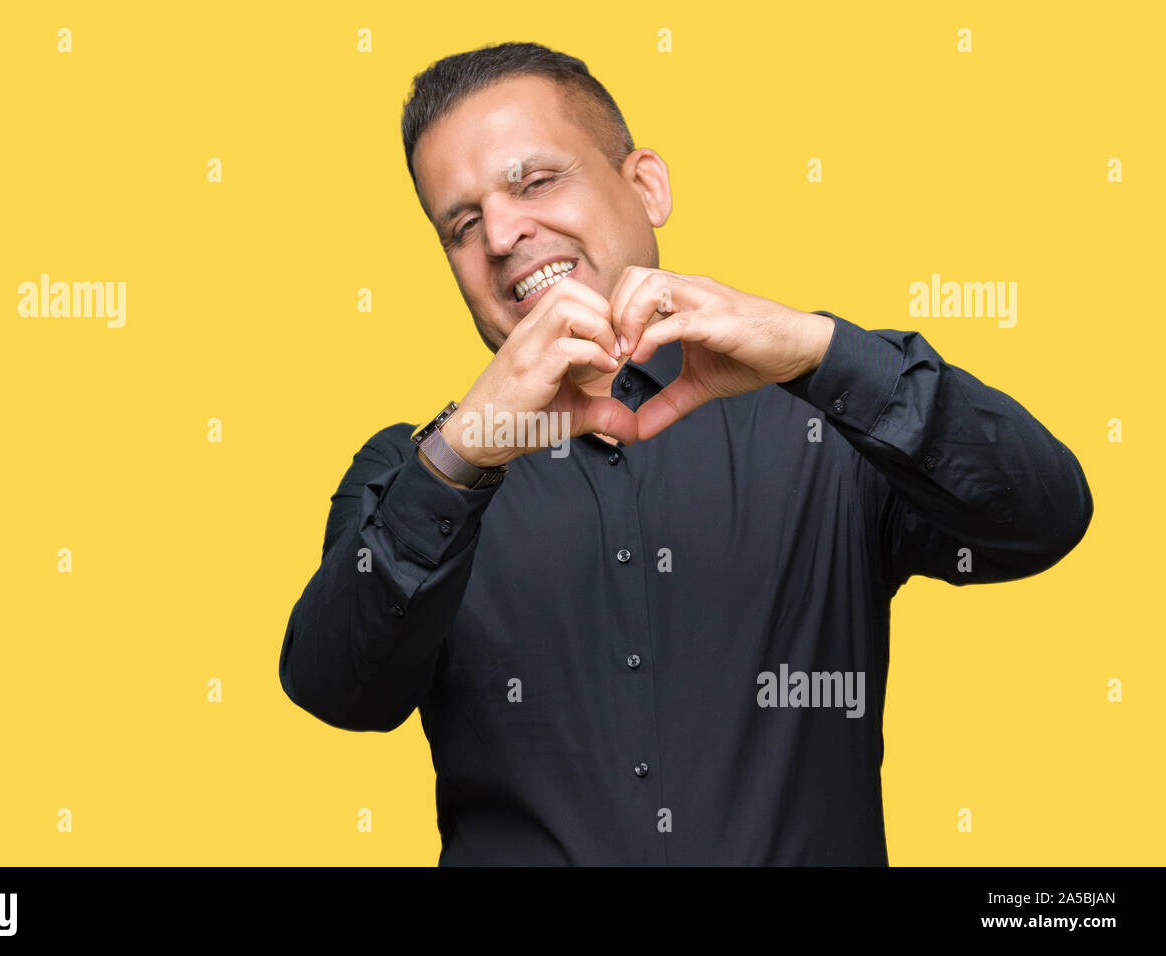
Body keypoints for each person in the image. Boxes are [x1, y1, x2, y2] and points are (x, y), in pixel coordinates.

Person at [278, 42, 1094, 865]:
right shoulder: (411, 471)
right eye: (461, 222)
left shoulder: (826, 430)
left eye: (535, 181)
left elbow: (1042, 518)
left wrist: (820, 352)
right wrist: (460, 457)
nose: (500, 233)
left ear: (647, 187)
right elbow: (341, 691)